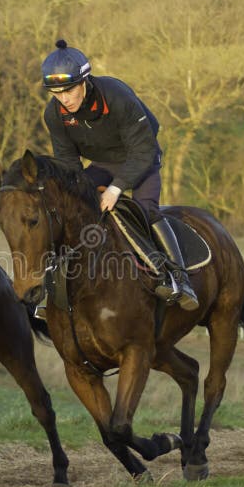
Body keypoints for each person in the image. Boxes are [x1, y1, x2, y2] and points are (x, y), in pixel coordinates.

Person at [41, 40, 198, 311]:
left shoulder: (117, 97)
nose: (64, 99)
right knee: (70, 210)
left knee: (145, 211)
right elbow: (68, 162)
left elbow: (144, 149)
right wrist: (75, 194)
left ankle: (177, 278)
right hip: (103, 163)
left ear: (84, 82)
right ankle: (54, 288)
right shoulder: (54, 114)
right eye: (57, 93)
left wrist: (116, 189)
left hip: (141, 156)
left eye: (68, 90)